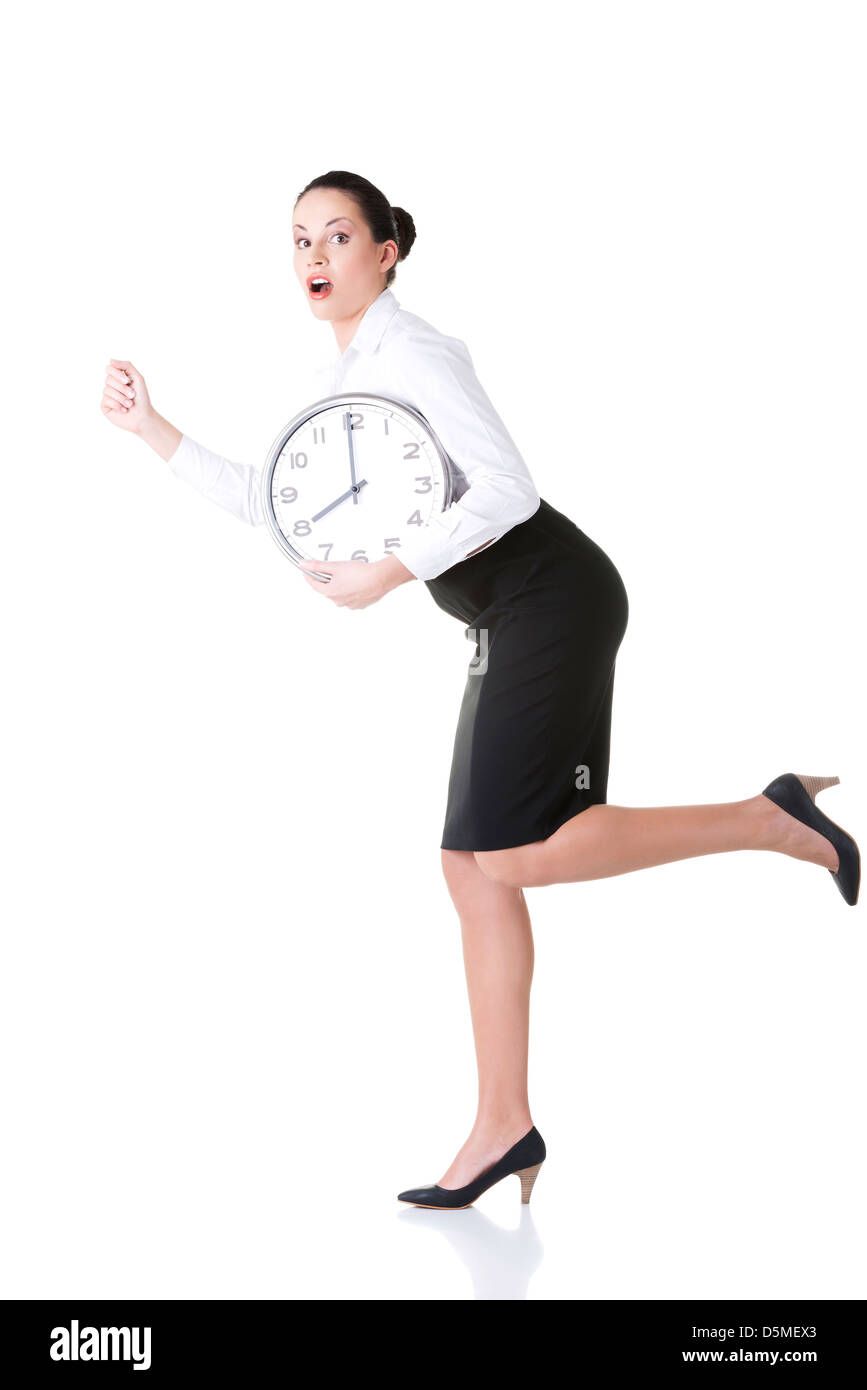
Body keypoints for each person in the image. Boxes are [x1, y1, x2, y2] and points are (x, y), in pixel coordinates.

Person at [101, 170, 860, 1212]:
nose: (315, 257)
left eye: (337, 236)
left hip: (556, 596)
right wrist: (154, 429)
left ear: (387, 251)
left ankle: (771, 821)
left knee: (514, 848)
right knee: (471, 867)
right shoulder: (346, 391)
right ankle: (505, 1124)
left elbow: (509, 487)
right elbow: (274, 505)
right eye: (298, 241)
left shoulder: (415, 353)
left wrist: (392, 568)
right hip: (509, 616)